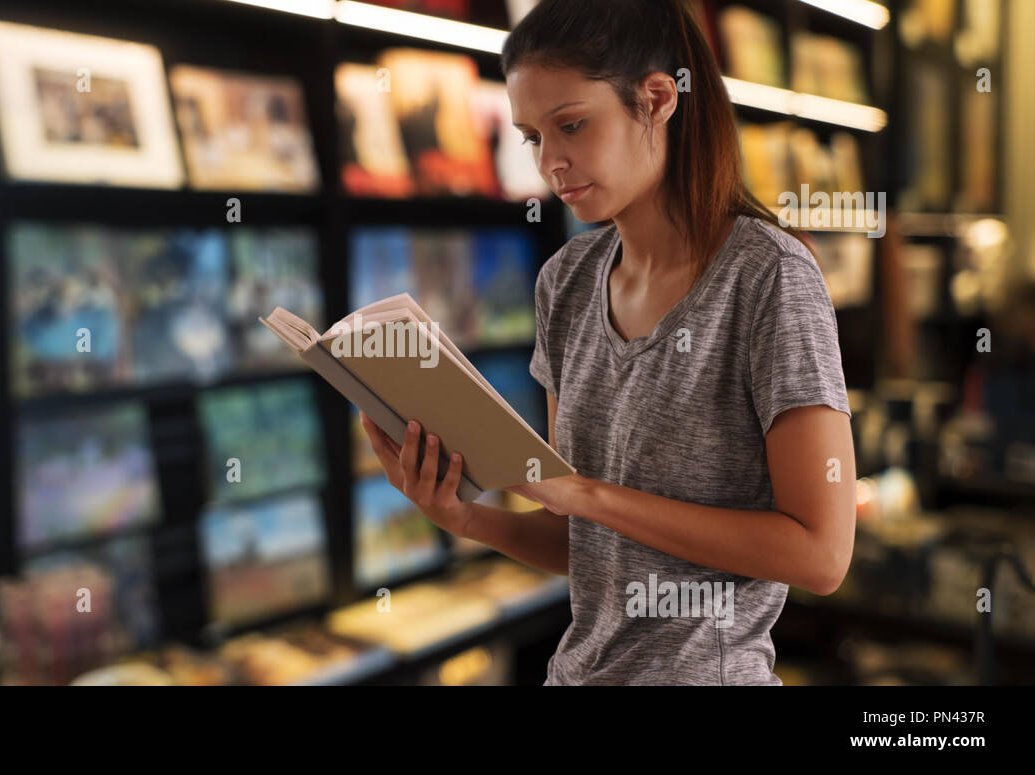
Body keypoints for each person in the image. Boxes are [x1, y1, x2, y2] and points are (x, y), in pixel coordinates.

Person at [360, 0, 856, 685]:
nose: (550, 163)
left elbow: (822, 555)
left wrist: (589, 494)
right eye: (532, 136)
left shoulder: (770, 278)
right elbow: (584, 537)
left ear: (656, 100)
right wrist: (464, 515)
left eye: (571, 125)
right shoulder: (565, 282)